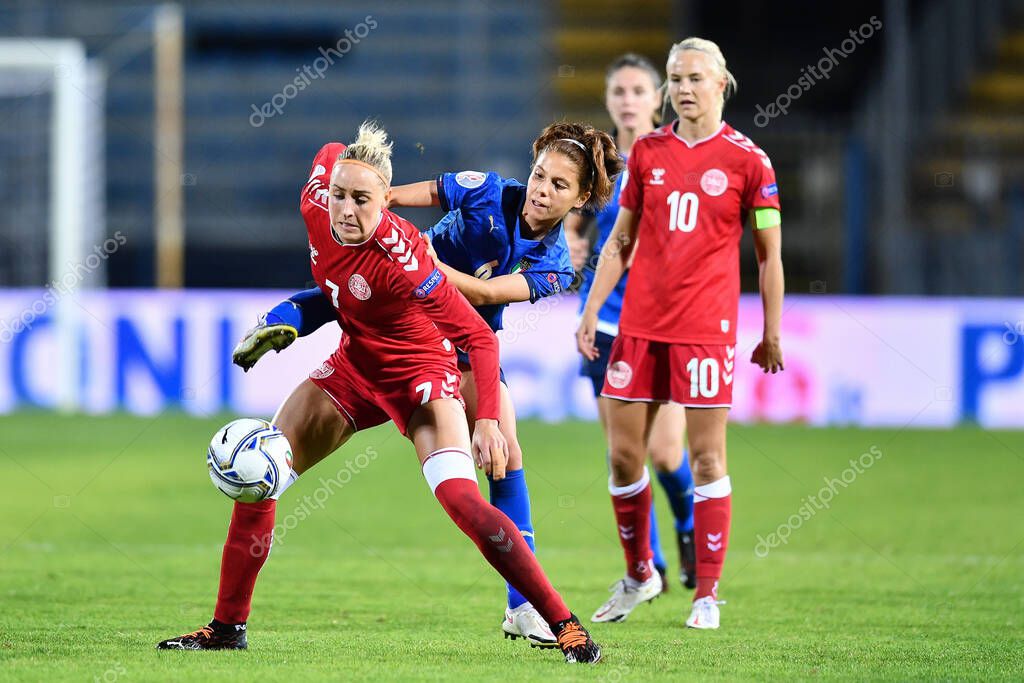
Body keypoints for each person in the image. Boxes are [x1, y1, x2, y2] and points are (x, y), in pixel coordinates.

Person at [158, 122, 602, 664]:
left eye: (361, 200)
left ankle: (562, 623)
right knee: (261, 474)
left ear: (383, 204)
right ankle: (226, 628)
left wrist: (486, 417)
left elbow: (479, 335)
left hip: (423, 374)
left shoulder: (410, 261)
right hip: (354, 365)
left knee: (464, 497)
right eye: (339, 195)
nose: (345, 210)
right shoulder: (319, 206)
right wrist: (289, 315)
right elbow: (329, 188)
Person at [576, 38, 785, 631]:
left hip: (705, 331)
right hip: (638, 326)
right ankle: (641, 573)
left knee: (704, 455)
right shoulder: (647, 154)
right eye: (676, 78)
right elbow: (620, 239)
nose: (685, 89)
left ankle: (708, 593)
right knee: (621, 456)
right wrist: (592, 309)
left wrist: (770, 330)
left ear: (722, 83)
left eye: (696, 77)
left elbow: (769, 257)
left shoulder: (751, 162)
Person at [564, 55, 697, 617]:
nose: (627, 99)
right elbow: (567, 226)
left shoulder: (671, 159)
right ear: (608, 98)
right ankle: (654, 564)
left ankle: (689, 524)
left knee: (667, 453)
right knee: (626, 454)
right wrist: (567, 246)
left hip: (662, 324)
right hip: (609, 326)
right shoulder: (595, 167)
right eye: (618, 90)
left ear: (656, 98)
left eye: (638, 90)